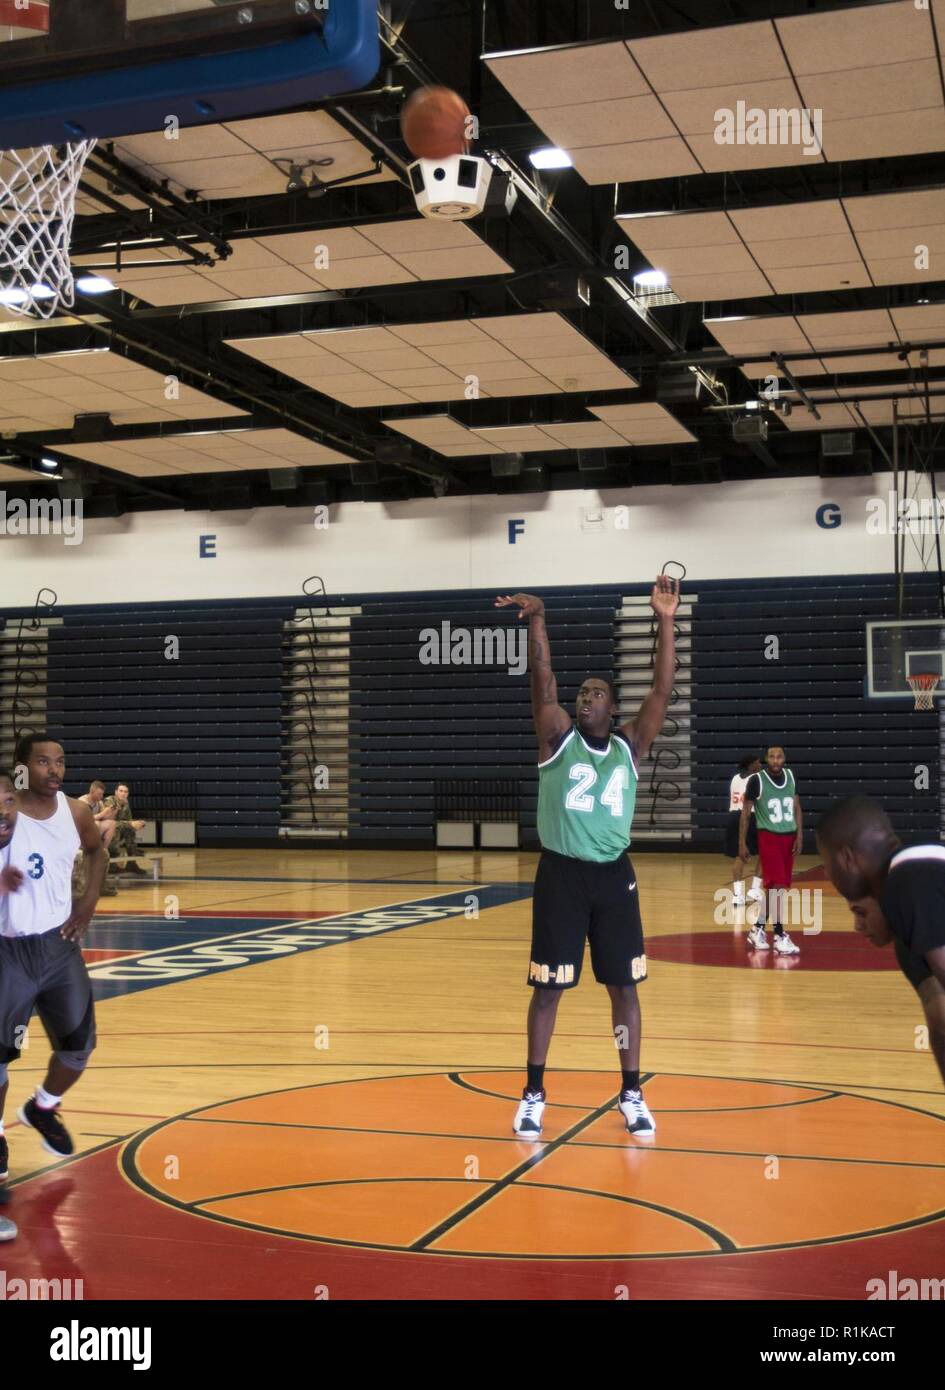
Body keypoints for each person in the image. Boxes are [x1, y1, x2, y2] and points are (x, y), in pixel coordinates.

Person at [495, 574, 679, 1140]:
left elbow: (663, 690)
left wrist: (667, 619)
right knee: (548, 987)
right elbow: (543, 683)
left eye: (596, 693)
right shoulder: (556, 737)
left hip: (614, 878)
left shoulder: (631, 744)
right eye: (583, 694)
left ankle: (631, 1092)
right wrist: (539, 620)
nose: (585, 697)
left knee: (624, 988)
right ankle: (533, 1093)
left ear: (612, 707)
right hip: (562, 876)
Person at [0, 734, 108, 1194]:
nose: (55, 770)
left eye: (60, 761)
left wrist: (87, 901)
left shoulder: (75, 812)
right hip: (8, 951)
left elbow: (97, 851)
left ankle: (42, 1107)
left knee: (79, 1047)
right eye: (43, 761)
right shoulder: (6, 816)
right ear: (22, 768)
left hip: (59, 947)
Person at [816, 796, 945, 1087]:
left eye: (826, 864)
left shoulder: (908, 876)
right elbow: (940, 1025)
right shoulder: (906, 932)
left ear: (847, 859)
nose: (827, 875)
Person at [739, 744, 802, 955]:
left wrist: (799, 835)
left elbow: (796, 807)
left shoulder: (791, 776)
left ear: (784, 758)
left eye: (779, 756)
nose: (776, 760)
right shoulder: (757, 780)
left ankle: (757, 929)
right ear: (766, 759)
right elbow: (746, 813)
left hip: (788, 837)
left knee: (777, 889)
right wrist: (742, 842)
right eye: (772, 756)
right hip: (769, 837)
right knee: (777, 888)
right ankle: (779, 935)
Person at [727, 753, 762, 908]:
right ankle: (754, 889)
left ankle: (737, 895)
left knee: (739, 856)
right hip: (749, 816)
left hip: (733, 816)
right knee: (765, 854)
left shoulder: (735, 778)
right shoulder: (756, 779)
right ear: (751, 765)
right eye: (757, 763)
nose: (760, 765)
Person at [77, 781, 118, 896]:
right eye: (99, 794)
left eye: (102, 794)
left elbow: (104, 818)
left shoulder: (98, 803)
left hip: (93, 832)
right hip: (80, 833)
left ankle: (102, 848)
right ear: (92, 792)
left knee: (111, 823)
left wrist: (111, 812)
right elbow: (87, 820)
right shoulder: (82, 802)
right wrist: (102, 814)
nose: (101, 797)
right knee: (96, 823)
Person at [104, 783, 148, 876]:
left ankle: (132, 863)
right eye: (121, 791)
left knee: (130, 829)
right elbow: (110, 823)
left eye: (125, 791)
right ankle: (111, 865)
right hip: (106, 832)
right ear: (116, 792)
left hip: (119, 830)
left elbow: (128, 821)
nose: (123, 793)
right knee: (122, 828)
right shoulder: (110, 802)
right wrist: (130, 824)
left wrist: (137, 823)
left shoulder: (126, 803)